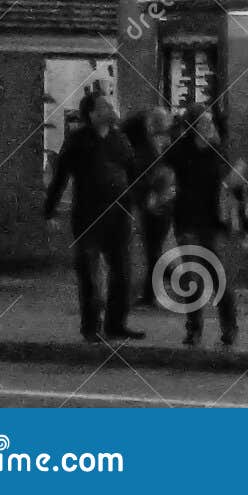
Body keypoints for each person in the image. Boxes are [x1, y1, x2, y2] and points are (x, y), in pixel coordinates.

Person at [43, 97, 144, 344]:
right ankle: (91, 327)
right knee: (89, 272)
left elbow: (133, 174)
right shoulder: (77, 141)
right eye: (104, 107)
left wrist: (136, 208)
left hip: (118, 214)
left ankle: (116, 324)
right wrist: (50, 211)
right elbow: (61, 177)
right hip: (88, 213)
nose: (111, 109)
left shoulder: (119, 139)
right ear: (91, 114)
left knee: (121, 270)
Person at [164, 104, 241, 347]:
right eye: (203, 123)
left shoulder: (217, 151)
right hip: (187, 219)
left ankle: (229, 327)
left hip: (213, 221)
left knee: (219, 276)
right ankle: (194, 329)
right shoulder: (178, 151)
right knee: (192, 276)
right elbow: (166, 178)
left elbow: (227, 184)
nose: (208, 127)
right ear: (192, 126)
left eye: (210, 123)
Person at [123, 107, 175, 308]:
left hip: (153, 203)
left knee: (152, 247)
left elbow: (152, 176)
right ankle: (168, 278)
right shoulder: (158, 145)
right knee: (153, 247)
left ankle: (152, 292)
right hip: (157, 202)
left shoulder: (149, 148)